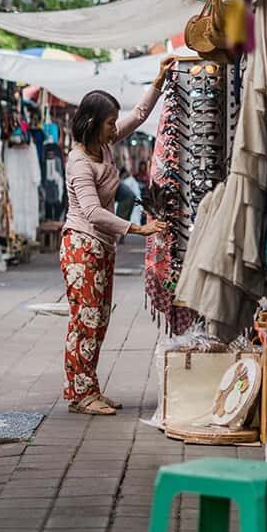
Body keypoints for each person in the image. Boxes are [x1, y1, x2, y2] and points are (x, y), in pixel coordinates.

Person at [61, 55, 175, 416]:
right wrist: (138, 228)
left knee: (99, 319)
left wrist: (159, 79)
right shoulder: (80, 161)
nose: (115, 128)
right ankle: (80, 394)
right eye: (110, 123)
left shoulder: (104, 145)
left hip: (100, 248)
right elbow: (93, 212)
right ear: (94, 124)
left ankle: (88, 387)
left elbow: (139, 115)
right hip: (81, 246)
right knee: (85, 320)